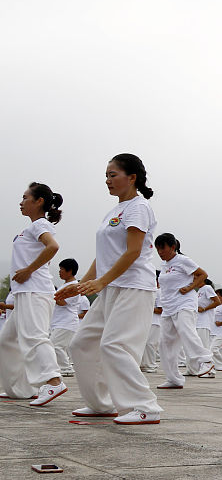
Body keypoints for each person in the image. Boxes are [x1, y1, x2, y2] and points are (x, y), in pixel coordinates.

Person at [59, 154, 162, 424]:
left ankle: (144, 406)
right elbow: (104, 255)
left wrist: (102, 282)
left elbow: (133, 252)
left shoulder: (138, 207)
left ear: (132, 178)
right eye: (106, 176)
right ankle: (101, 404)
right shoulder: (114, 211)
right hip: (111, 288)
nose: (108, 180)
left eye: (113, 175)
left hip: (133, 286)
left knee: (115, 345)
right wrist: (80, 284)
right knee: (82, 343)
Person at [2, 182, 66, 405]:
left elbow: (53, 247)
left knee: (34, 336)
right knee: (7, 340)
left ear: (39, 202)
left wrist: (29, 269)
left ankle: (54, 382)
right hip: (24, 293)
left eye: (25, 197)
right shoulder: (29, 228)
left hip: (35, 290)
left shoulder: (39, 224)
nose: (21, 202)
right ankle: (21, 388)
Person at [152, 234, 215, 389]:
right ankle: (174, 378)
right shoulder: (165, 266)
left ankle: (205, 360)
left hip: (184, 303)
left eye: (163, 248)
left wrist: (190, 287)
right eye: (158, 248)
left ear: (173, 247)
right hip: (168, 307)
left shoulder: (182, 260)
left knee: (186, 330)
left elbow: (202, 274)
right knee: (165, 344)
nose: (160, 252)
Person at [50, 258, 90, 377]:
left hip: (67, 322)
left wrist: (51, 295)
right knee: (57, 346)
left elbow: (63, 303)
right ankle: (63, 367)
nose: (59, 271)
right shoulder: (66, 285)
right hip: (59, 321)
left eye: (62, 269)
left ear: (70, 271)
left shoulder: (74, 286)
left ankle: (66, 368)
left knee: (55, 345)